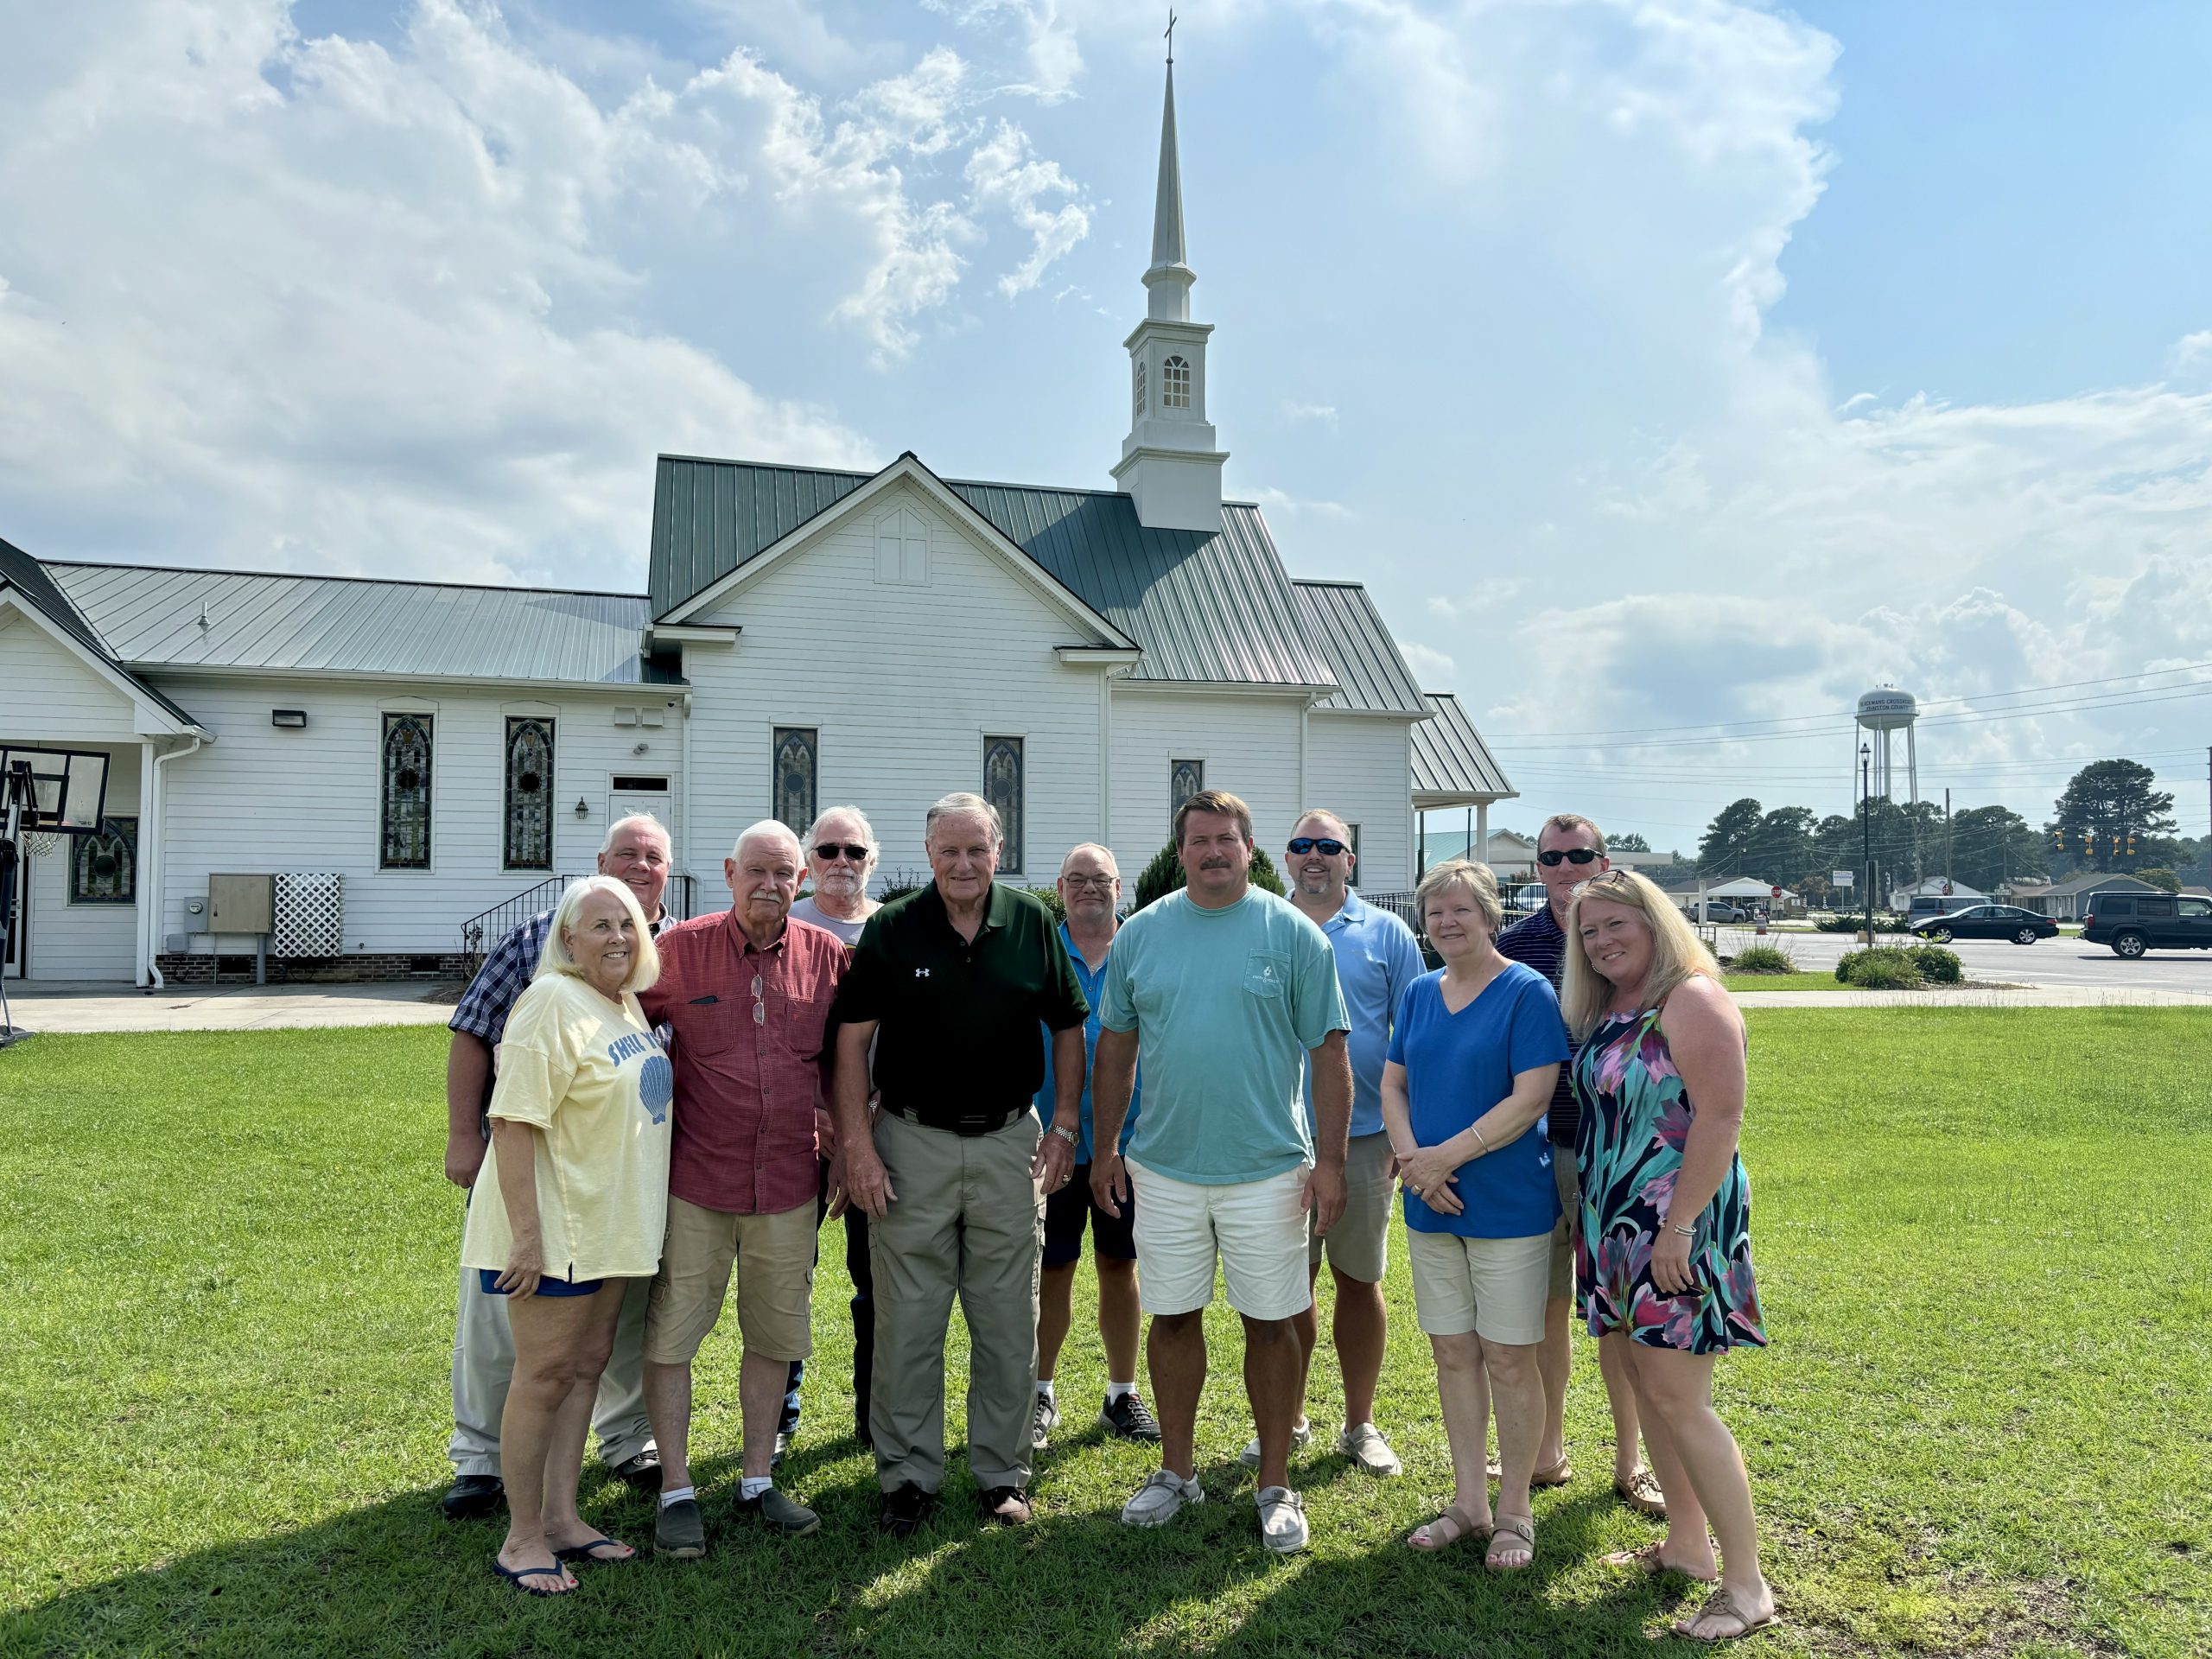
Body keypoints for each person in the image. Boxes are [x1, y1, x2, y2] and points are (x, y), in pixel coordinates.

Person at [1091, 790, 1352, 1555]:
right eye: (1199, 841)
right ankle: (1177, 1472)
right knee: (1171, 1317)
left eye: (1227, 841)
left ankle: (1275, 1483)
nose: (1213, 852)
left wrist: (1330, 1163)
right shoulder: (1142, 934)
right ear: (1181, 852)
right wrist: (1107, 1148)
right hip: (1165, 1168)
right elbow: (1115, 1047)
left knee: (1272, 1322)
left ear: (1250, 848)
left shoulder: (1293, 933)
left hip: (1268, 1168)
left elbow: (1330, 1055)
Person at [833, 793, 1089, 1535]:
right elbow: (851, 1043)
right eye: (949, 851)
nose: (963, 864)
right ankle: (908, 1476)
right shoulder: (891, 928)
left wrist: (1064, 1125)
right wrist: (857, 1148)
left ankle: (1001, 1473)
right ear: (928, 853)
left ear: (998, 851)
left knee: (1009, 1317)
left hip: (1012, 1140)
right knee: (909, 1319)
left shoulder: (1033, 922)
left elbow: (1069, 1027)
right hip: (911, 1142)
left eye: (976, 850)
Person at [439, 814, 676, 1521]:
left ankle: (566, 1516)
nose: (617, 935)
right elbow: (509, 1114)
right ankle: (517, 1524)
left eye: (653, 857)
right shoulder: (549, 993)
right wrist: (524, 1230)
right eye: (601, 925)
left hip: (605, 1221)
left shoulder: (627, 998)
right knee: (534, 1367)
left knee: (583, 1367)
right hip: (549, 1222)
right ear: (569, 936)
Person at [1563, 869, 1775, 1643]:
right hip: (1617, 1225)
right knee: (1649, 1390)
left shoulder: (1692, 998)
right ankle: (1687, 1548)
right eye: (1589, 932)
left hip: (1674, 1227)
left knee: (1682, 1399)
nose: (1603, 940)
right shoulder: (1615, 1007)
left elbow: (1721, 1116)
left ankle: (1746, 1585)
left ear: (1655, 920)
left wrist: (1678, 1229)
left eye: (1617, 924)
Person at [633, 823, 847, 1556]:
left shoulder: (828, 960)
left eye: (784, 873)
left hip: (790, 1185)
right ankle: (677, 1490)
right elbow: (618, 1030)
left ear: (802, 882)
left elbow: (845, 1067)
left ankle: (758, 1480)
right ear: (729, 873)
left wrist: (848, 1148)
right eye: (756, 871)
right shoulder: (678, 953)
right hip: (697, 1183)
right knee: (672, 1338)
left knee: (775, 1336)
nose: (770, 885)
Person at [1381, 861, 1567, 1571]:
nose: (1447, 923)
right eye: (1435, 913)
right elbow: (1393, 1083)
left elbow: (1531, 1098)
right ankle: (1469, 1502)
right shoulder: (1422, 993)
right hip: (1432, 1205)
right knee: (1453, 1352)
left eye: (1461, 910)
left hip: (1508, 1205)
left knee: (1510, 1357)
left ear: (1490, 917)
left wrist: (1439, 1158)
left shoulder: (1526, 991)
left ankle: (1515, 1510)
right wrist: (1411, 1160)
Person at [1495, 813, 1663, 1515]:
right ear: (1537, 868)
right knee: (1549, 1307)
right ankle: (1547, 1452)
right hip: (1540, 1151)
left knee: (1620, 1316)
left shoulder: (1635, 945)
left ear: (1603, 859)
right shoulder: (1515, 947)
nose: (1565, 869)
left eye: (1579, 856)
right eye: (1551, 859)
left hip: (1618, 1157)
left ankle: (1633, 1463)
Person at [1276, 809, 1425, 1478]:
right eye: (1302, 845)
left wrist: (1404, 1135)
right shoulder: (1263, 925)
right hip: (1276, 1142)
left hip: (1365, 1143)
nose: (1315, 856)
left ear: (1349, 859)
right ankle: (1290, 1417)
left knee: (1358, 1280)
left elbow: (1414, 1039)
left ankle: (1359, 1422)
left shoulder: (1388, 934)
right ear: (1285, 858)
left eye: (1328, 846)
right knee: (1285, 1287)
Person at [1031, 843, 1158, 1451]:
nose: (1088, 889)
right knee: (1050, 1268)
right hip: (1047, 1147)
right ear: (1059, 888)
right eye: (1076, 880)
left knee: (1119, 1266)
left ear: (1118, 885)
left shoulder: (1145, 949)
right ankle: (1040, 1391)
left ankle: (1121, 1393)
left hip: (1127, 1146)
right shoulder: (1036, 951)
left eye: (1099, 879)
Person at [785, 804, 884, 1451]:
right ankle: (781, 1414)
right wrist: (820, 1121)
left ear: (871, 860)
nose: (841, 862)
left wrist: (863, 1121)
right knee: (786, 1275)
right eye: (828, 851)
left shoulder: (893, 931)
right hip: (798, 1133)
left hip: (880, 1129)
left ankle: (876, 1415)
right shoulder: (784, 924)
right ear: (807, 862)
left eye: (853, 851)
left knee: (879, 1280)